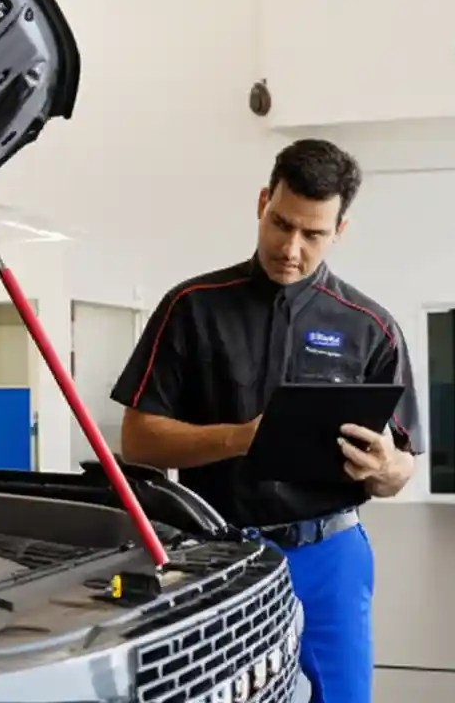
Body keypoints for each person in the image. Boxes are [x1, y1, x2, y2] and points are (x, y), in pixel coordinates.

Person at [109, 138, 424, 702]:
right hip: (218, 557)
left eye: (313, 234)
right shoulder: (192, 308)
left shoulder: (371, 327)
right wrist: (240, 438)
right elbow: (137, 439)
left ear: (340, 231)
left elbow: (402, 468)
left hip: (330, 554)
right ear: (262, 202)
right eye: (282, 224)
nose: (291, 248)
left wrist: (384, 469)